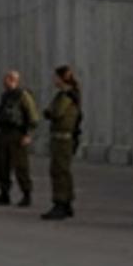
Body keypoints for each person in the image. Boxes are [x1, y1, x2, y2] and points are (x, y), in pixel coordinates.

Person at [0, 70, 40, 207]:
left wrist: (28, 134)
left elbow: (33, 116)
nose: (4, 82)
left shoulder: (23, 95)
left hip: (17, 134)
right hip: (4, 134)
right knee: (2, 166)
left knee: (21, 166)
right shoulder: (5, 96)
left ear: (12, 80)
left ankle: (26, 194)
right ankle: (4, 194)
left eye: (6, 79)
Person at [41, 65, 82, 220]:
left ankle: (61, 202)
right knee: (63, 170)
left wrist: (49, 112)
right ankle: (67, 202)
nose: (54, 80)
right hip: (62, 137)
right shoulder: (67, 94)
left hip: (63, 138)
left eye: (56, 77)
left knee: (59, 171)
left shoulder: (66, 95)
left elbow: (56, 112)